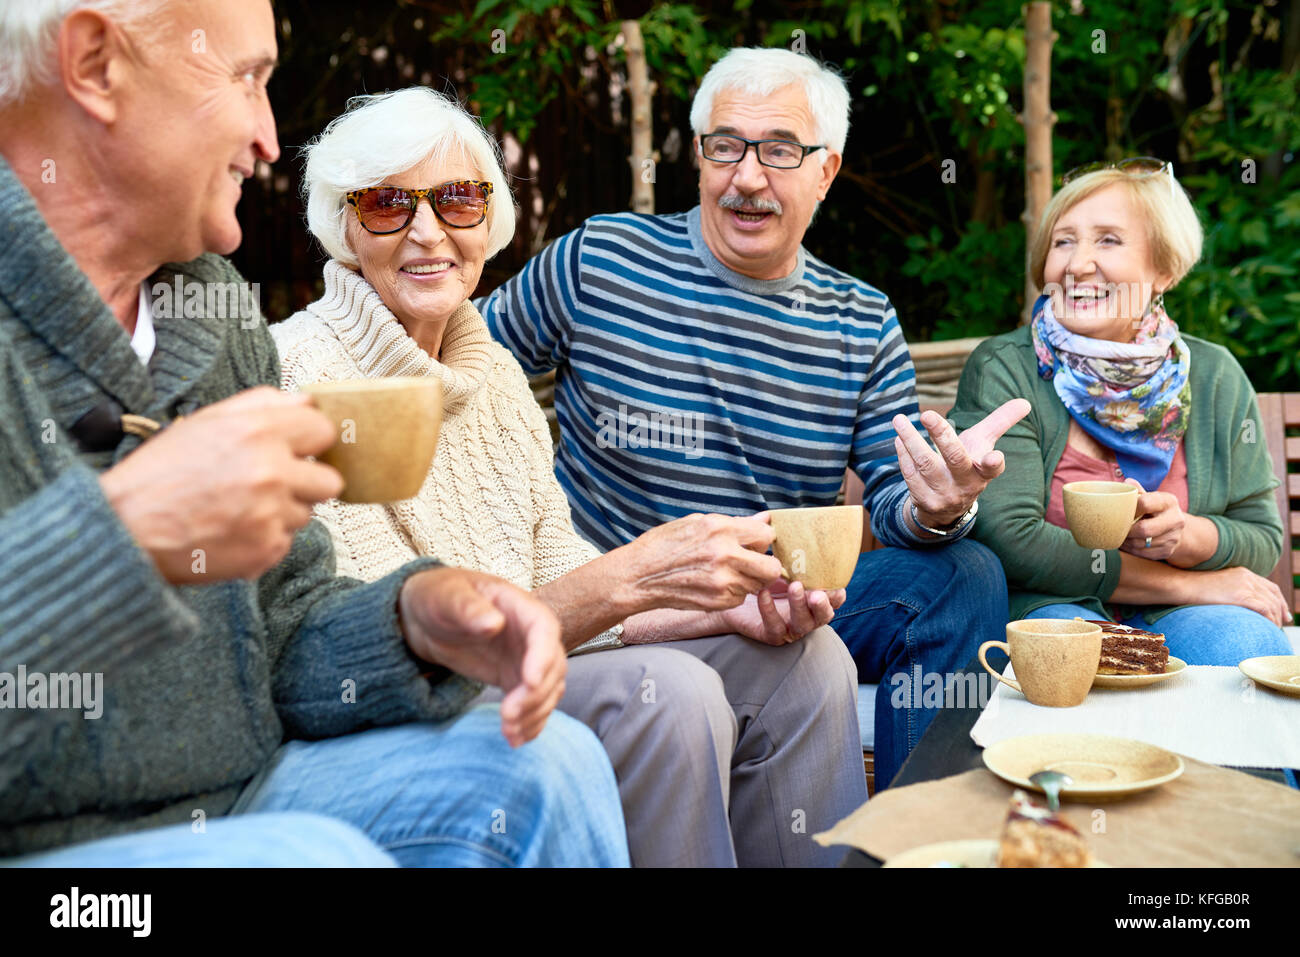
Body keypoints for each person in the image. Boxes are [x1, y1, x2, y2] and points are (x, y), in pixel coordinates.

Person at [0, 0, 628, 867]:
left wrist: (414, 618)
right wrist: (123, 535)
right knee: (311, 857)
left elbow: (289, 623)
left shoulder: (213, 312)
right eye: (247, 80)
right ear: (95, 64)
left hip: (244, 793)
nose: (269, 138)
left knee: (547, 763)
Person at [274, 86, 866, 868]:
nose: (427, 232)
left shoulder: (492, 376)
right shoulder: (296, 372)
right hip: (419, 699)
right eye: (387, 203)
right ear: (344, 223)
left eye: (457, 200)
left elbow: (562, 577)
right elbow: (384, 641)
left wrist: (722, 611)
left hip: (533, 660)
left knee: (806, 659)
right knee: (671, 697)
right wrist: (636, 574)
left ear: (488, 217)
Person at [478, 47, 1030, 788]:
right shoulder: (600, 261)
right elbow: (459, 360)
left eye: (778, 151)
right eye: (726, 146)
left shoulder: (861, 319)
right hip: (622, 598)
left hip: (779, 595)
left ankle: (914, 842)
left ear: (826, 171)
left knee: (965, 572)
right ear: (701, 155)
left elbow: (898, 501)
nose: (746, 177)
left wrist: (940, 504)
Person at [949, 159, 1293, 664]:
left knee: (1248, 645)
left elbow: (1262, 536)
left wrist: (1183, 536)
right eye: (1063, 242)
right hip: (1055, 608)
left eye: (1108, 240)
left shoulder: (1215, 374)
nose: (1077, 264)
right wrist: (1186, 586)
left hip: (1178, 618)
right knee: (1085, 657)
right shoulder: (1006, 367)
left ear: (1165, 269)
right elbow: (1011, 539)